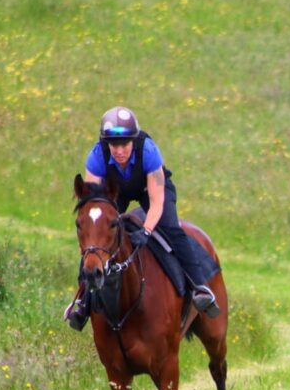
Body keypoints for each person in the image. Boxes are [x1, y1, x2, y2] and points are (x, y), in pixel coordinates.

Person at [65, 106, 220, 330]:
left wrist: (146, 231)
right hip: (115, 192)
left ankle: (199, 287)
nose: (118, 150)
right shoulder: (97, 155)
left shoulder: (148, 151)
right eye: (113, 145)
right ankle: (82, 301)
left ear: (134, 141)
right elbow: (93, 200)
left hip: (151, 191)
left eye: (124, 144)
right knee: (96, 238)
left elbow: (157, 202)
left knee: (171, 230)